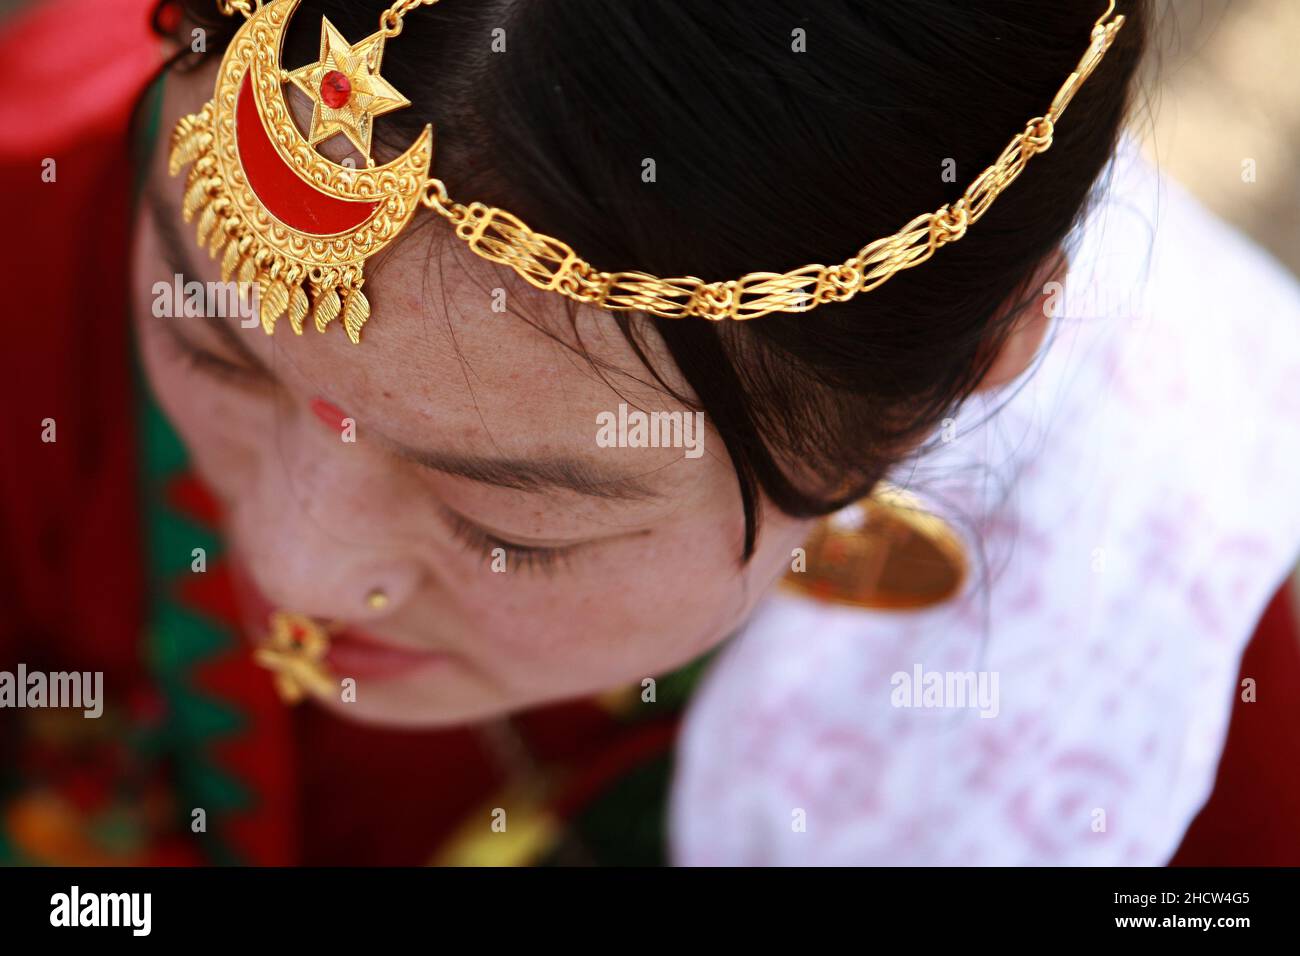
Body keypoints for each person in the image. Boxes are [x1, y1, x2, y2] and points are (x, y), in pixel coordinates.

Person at [2, 0, 1299, 866]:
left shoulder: (1153, 754)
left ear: (981, 368)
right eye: (215, 346)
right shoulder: (31, 219)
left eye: (507, 517)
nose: (291, 569)